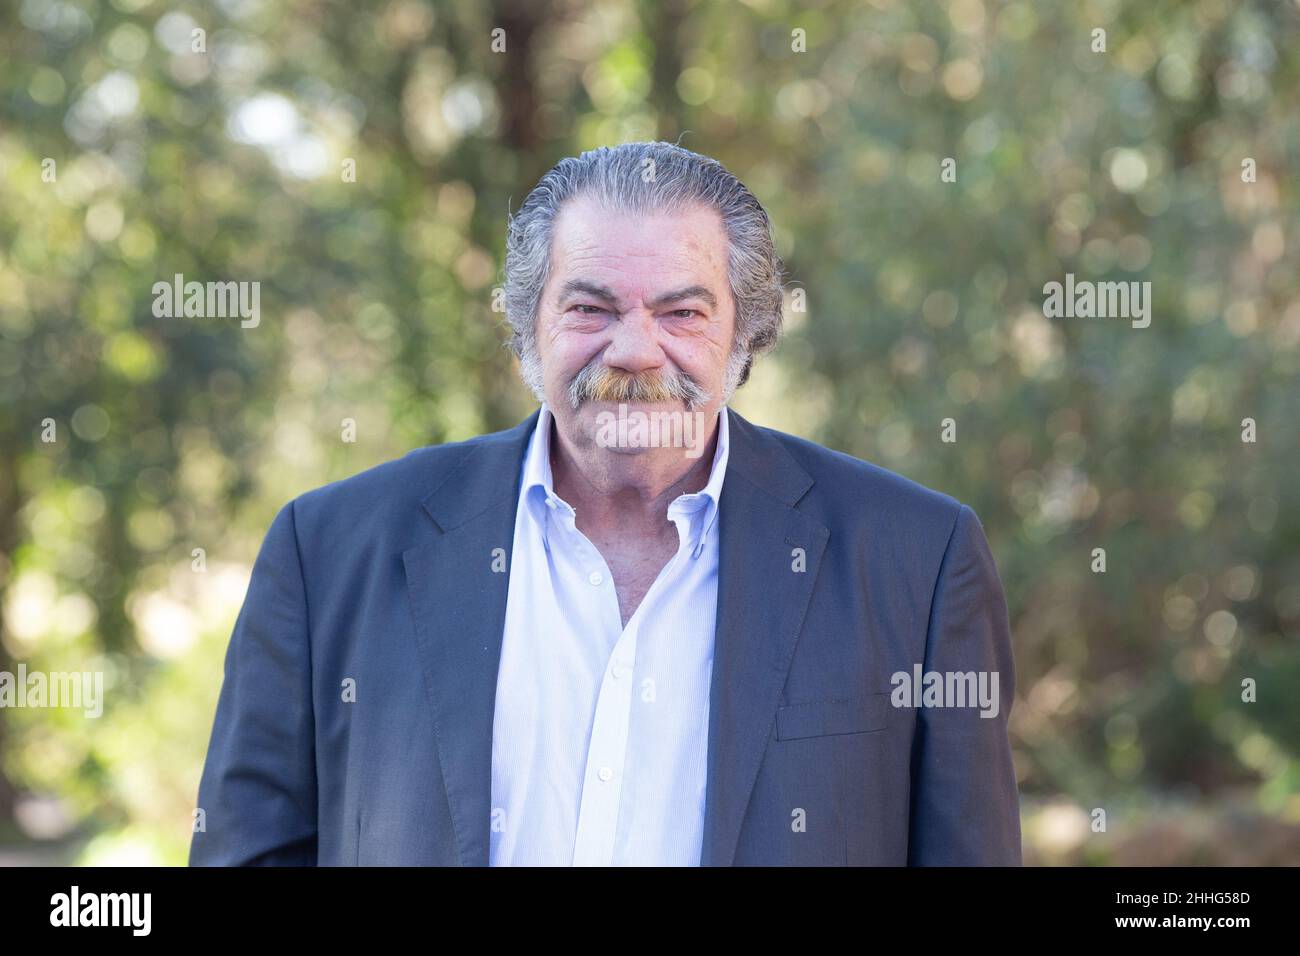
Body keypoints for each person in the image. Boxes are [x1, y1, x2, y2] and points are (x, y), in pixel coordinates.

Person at [190, 141, 1021, 866]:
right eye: (590, 308)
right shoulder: (329, 551)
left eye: (682, 312)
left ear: (747, 330)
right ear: (528, 325)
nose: (633, 349)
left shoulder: (917, 560)